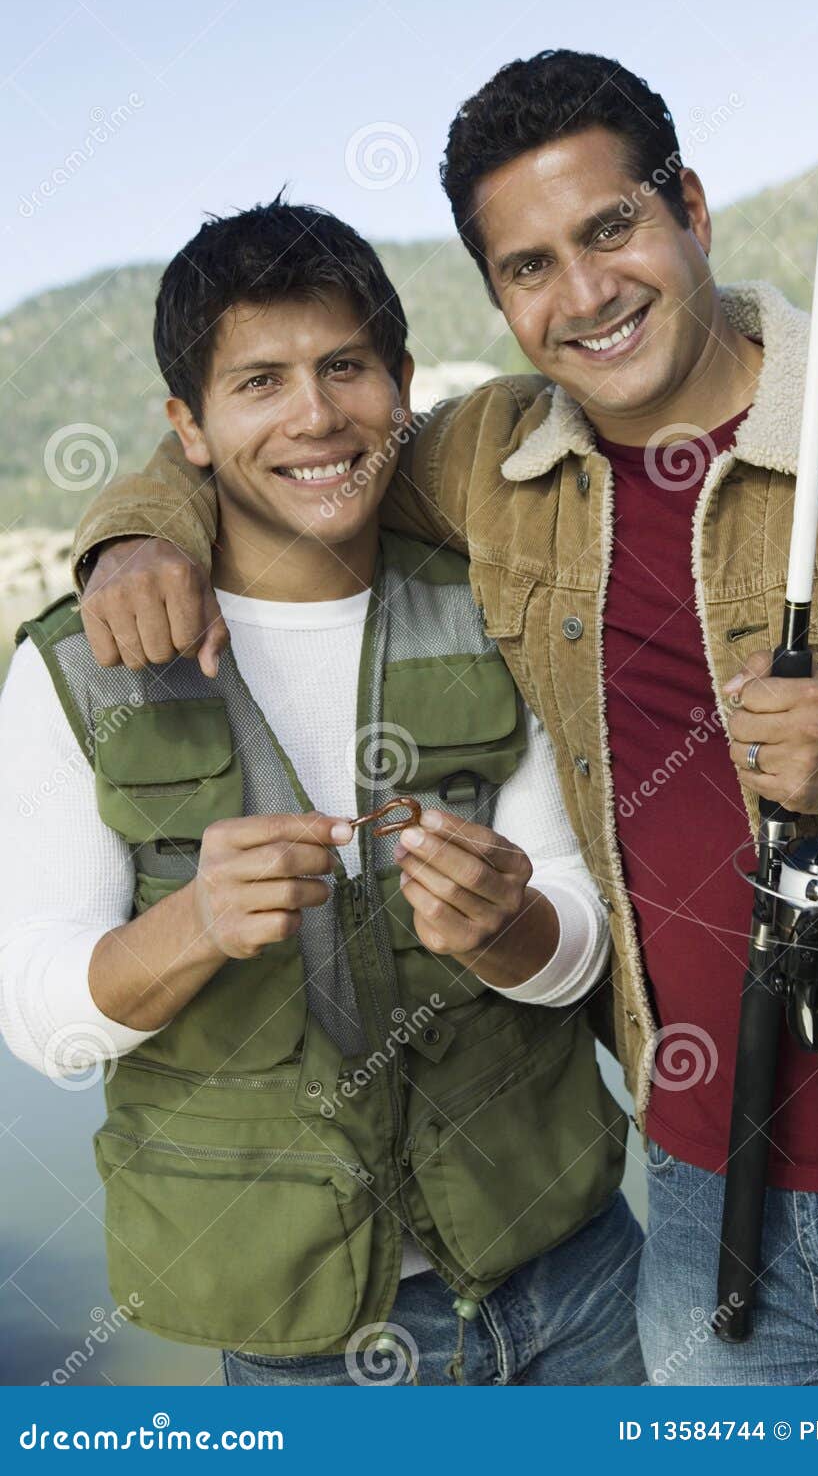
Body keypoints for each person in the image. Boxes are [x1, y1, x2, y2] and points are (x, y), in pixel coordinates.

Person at [70, 52, 818, 1386]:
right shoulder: (485, 460)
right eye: (529, 265)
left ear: (691, 210)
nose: (585, 293)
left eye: (610, 228)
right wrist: (135, 535)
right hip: (702, 1197)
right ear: (497, 297)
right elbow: (294, 442)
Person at [0, 197, 645, 1387]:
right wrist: (189, 925)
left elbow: (580, 941)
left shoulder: (494, 603)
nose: (314, 416)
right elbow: (42, 1020)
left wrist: (512, 928)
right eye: (259, 382)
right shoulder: (73, 671)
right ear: (186, 427)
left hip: (580, 1280)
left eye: (344, 366)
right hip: (309, 1354)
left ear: (399, 383)